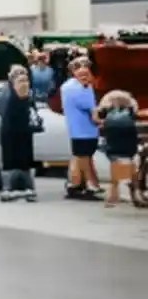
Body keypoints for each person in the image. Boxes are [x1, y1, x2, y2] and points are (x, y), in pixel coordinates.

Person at [60, 58, 103, 200]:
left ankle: (75, 184)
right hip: (86, 131)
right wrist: (103, 121)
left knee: (78, 157)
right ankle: (89, 185)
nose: (86, 77)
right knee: (84, 158)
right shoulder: (83, 89)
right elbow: (94, 113)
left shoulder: (67, 86)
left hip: (76, 129)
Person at [96, 90, 145, 208]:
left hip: (114, 146)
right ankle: (135, 192)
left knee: (117, 171)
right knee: (133, 166)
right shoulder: (130, 105)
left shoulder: (107, 104)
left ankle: (112, 197)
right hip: (128, 146)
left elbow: (100, 118)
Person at [0, 66, 38, 202]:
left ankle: (25, 187)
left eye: (25, 79)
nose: (24, 83)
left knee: (24, 159)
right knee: (11, 159)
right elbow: (3, 111)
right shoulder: (6, 93)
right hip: (11, 131)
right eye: (20, 79)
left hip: (23, 130)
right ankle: (10, 188)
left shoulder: (27, 94)